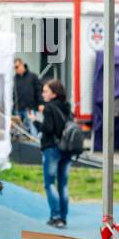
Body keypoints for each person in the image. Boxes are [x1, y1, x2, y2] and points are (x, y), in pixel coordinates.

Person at [34, 79, 74, 228]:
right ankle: (63, 217)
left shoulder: (49, 108)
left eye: (45, 91)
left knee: (49, 183)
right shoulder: (67, 107)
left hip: (52, 148)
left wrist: (35, 121)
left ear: (53, 94)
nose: (43, 94)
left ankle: (55, 216)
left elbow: (48, 129)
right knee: (63, 185)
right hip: (67, 149)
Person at [13, 58, 42, 135]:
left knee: (33, 129)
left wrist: (40, 103)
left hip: (30, 108)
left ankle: (35, 146)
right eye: (14, 68)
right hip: (18, 109)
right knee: (19, 131)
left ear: (22, 64)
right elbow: (14, 94)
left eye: (17, 67)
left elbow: (38, 91)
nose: (16, 69)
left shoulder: (32, 76)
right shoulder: (15, 79)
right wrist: (14, 108)